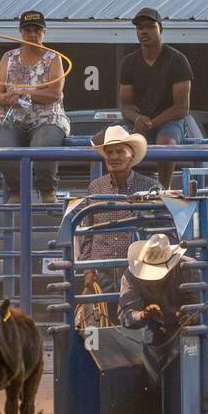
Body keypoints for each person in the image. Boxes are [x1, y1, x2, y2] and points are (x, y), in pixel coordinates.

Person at [76, 125, 157, 320]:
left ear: (131, 154)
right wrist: (88, 270)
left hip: (136, 268)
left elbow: (160, 229)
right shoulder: (95, 187)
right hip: (101, 269)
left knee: (137, 319)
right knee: (104, 320)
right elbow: (86, 232)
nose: (114, 157)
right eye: (110, 152)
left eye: (120, 151)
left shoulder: (149, 186)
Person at [0, 10, 70, 204]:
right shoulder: (8, 58)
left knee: (44, 145)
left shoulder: (54, 58)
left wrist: (25, 93)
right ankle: (17, 189)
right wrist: (7, 98)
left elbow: (54, 94)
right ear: (20, 32)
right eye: (28, 30)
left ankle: (47, 188)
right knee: (1, 148)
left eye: (37, 30)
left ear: (44, 32)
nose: (32, 34)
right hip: (12, 118)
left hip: (47, 118)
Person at [119, 8, 194, 189]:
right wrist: (137, 119)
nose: (144, 31)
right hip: (140, 120)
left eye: (149, 27)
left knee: (165, 144)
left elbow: (181, 108)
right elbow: (125, 106)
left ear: (160, 28)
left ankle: (164, 190)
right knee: (108, 141)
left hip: (170, 122)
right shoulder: (128, 62)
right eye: (139, 28)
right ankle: (120, 189)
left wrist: (151, 122)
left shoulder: (177, 60)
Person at [118, 234, 197, 359]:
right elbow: (125, 315)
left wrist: (192, 315)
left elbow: (206, 305)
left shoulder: (189, 268)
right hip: (154, 329)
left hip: (190, 331)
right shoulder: (131, 276)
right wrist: (143, 315)